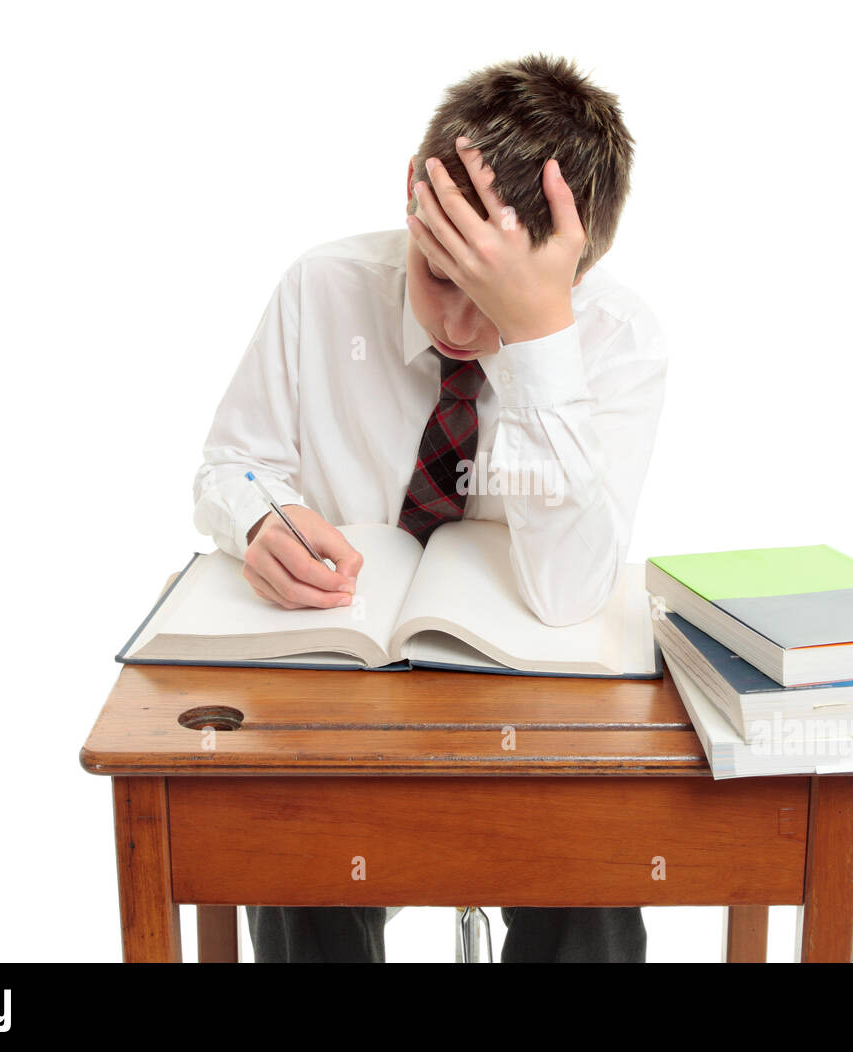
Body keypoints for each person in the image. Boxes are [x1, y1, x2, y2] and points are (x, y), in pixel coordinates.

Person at [192, 53, 667, 962]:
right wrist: (257, 520)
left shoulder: (619, 341)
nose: (455, 327)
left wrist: (539, 339)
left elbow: (568, 591)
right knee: (294, 861)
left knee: (590, 881)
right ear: (411, 196)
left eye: (492, 295)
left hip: (536, 710)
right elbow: (232, 463)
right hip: (341, 695)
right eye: (439, 274)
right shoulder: (321, 287)